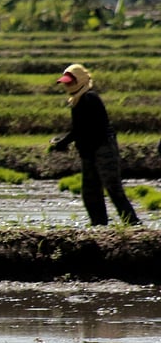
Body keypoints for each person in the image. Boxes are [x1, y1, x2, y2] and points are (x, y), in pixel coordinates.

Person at [48, 64, 140, 226]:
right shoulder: (77, 100)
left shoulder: (89, 98)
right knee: (90, 192)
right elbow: (79, 129)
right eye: (66, 83)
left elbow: (82, 129)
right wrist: (64, 141)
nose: (68, 86)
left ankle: (133, 224)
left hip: (103, 148)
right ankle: (99, 225)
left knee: (113, 188)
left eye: (71, 82)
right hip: (89, 150)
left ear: (81, 80)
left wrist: (63, 142)